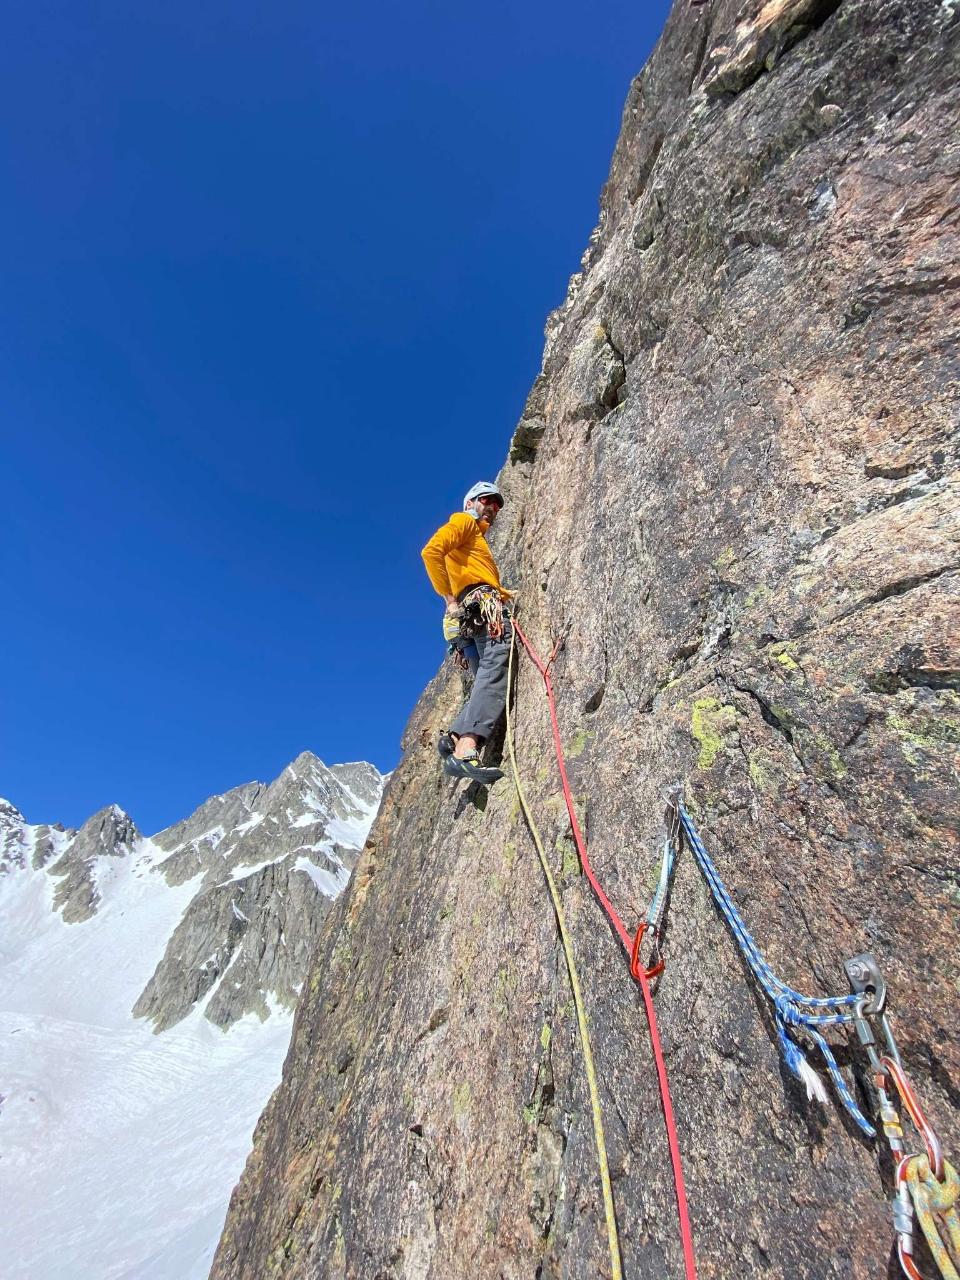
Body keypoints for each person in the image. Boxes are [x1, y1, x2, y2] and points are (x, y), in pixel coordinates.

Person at [421, 482, 512, 784]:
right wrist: (448, 598)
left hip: (469, 617)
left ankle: (455, 735)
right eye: (487, 500)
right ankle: (466, 746)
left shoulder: (473, 541)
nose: (492, 508)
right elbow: (431, 551)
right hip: (479, 608)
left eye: (497, 505)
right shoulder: (464, 522)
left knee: (485, 676)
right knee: (496, 667)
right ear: (471, 502)